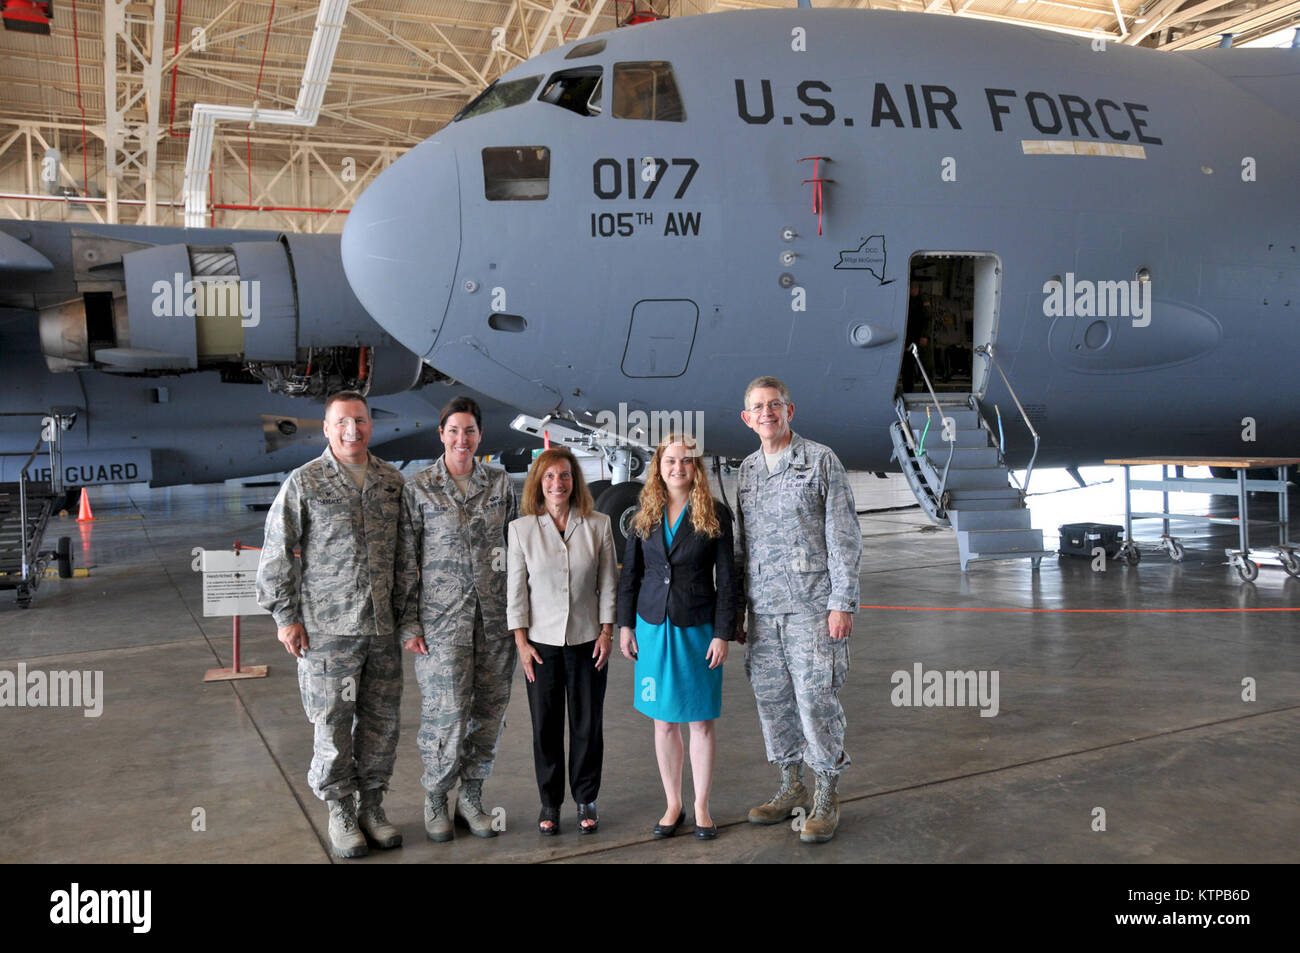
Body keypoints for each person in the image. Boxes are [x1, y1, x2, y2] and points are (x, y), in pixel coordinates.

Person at [256, 390, 405, 859]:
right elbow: (277, 552)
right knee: (333, 725)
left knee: (381, 724)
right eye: (341, 422)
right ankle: (340, 809)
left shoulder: (391, 481)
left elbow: (407, 556)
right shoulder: (306, 482)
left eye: (359, 421)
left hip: (382, 629)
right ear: (325, 428)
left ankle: (373, 807)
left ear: (370, 425)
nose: (351, 430)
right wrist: (285, 618)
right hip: (328, 632)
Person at [734, 376, 862, 844]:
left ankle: (826, 792)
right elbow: (741, 547)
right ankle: (790, 785)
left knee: (816, 700)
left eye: (775, 405)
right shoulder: (747, 471)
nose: (767, 413)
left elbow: (844, 537)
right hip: (764, 611)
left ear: (791, 410)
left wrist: (841, 603)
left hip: (813, 609)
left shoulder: (820, 461)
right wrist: (738, 611)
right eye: (758, 407)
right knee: (773, 701)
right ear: (747, 419)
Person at [393, 396, 517, 842]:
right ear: (441, 434)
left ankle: (472, 797)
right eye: (453, 431)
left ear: (480, 435)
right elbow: (406, 560)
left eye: (469, 431)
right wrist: (409, 623)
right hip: (442, 625)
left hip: (496, 623)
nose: (461, 439)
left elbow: (517, 555)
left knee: (488, 713)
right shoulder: (420, 487)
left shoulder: (501, 485)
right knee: (446, 715)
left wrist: (520, 620)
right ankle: (435, 798)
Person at [617, 434, 737, 840]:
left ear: (696, 468)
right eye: (670, 461)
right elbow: (629, 575)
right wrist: (625, 625)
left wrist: (723, 634)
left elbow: (728, 579)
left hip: (697, 629)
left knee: (700, 721)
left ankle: (701, 805)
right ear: (658, 465)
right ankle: (674, 803)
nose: (677, 468)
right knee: (664, 722)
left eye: (686, 462)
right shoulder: (643, 513)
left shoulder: (715, 514)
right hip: (652, 627)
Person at [507, 447, 618, 835]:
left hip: (589, 641)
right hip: (540, 645)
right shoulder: (521, 529)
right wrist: (521, 643)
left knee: (588, 724)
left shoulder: (598, 524)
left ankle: (586, 798)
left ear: (575, 481)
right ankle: (550, 802)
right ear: (539, 481)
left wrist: (607, 632)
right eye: (550, 476)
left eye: (565, 476)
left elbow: (607, 583)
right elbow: (516, 592)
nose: (558, 483)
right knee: (545, 727)